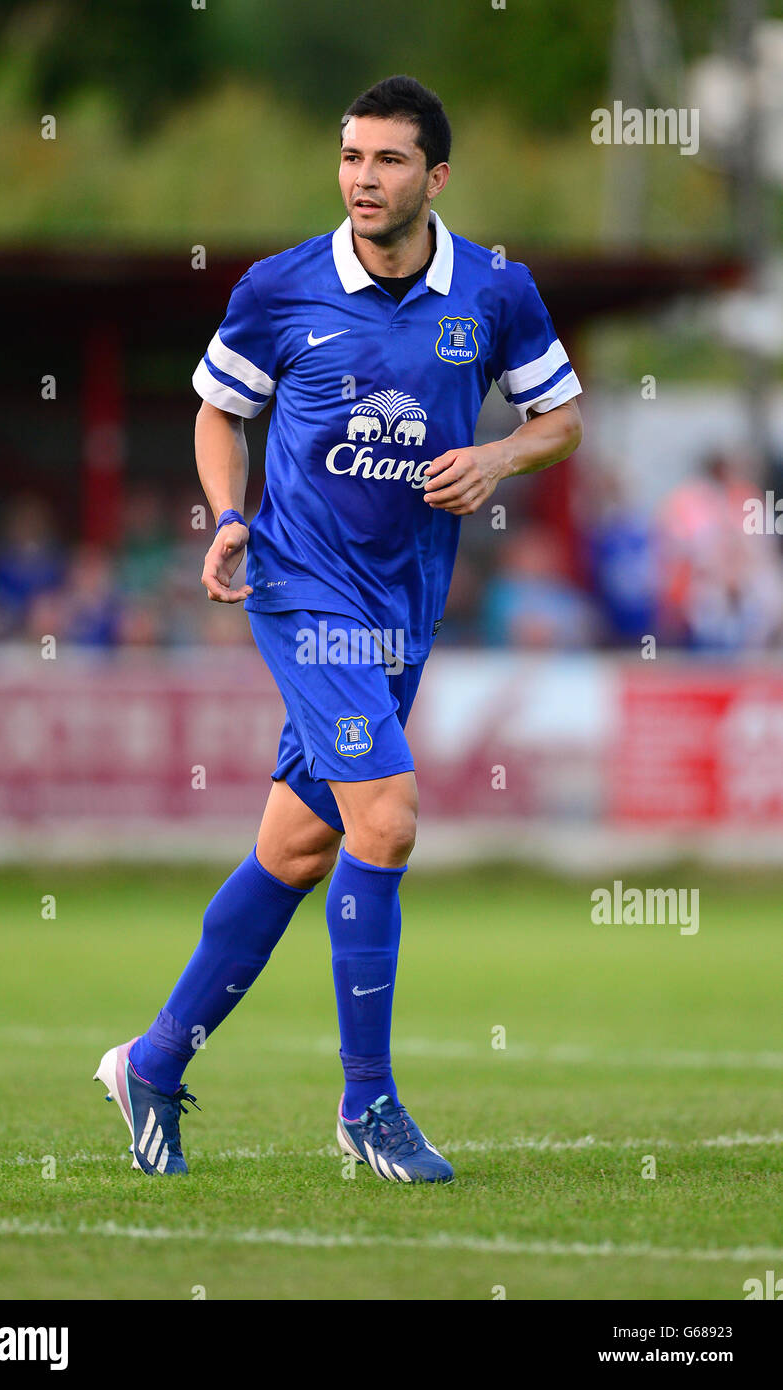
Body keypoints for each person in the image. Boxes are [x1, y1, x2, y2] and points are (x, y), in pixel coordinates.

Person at [94, 74, 583, 1182]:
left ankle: (153, 1062)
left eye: (387, 160)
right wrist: (228, 517)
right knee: (390, 821)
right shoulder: (281, 287)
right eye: (350, 157)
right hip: (303, 587)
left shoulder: (495, 292)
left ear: (435, 176)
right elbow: (222, 406)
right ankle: (368, 1108)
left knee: (300, 845)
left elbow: (559, 418)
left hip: (405, 603)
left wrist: (497, 456)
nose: (362, 179)